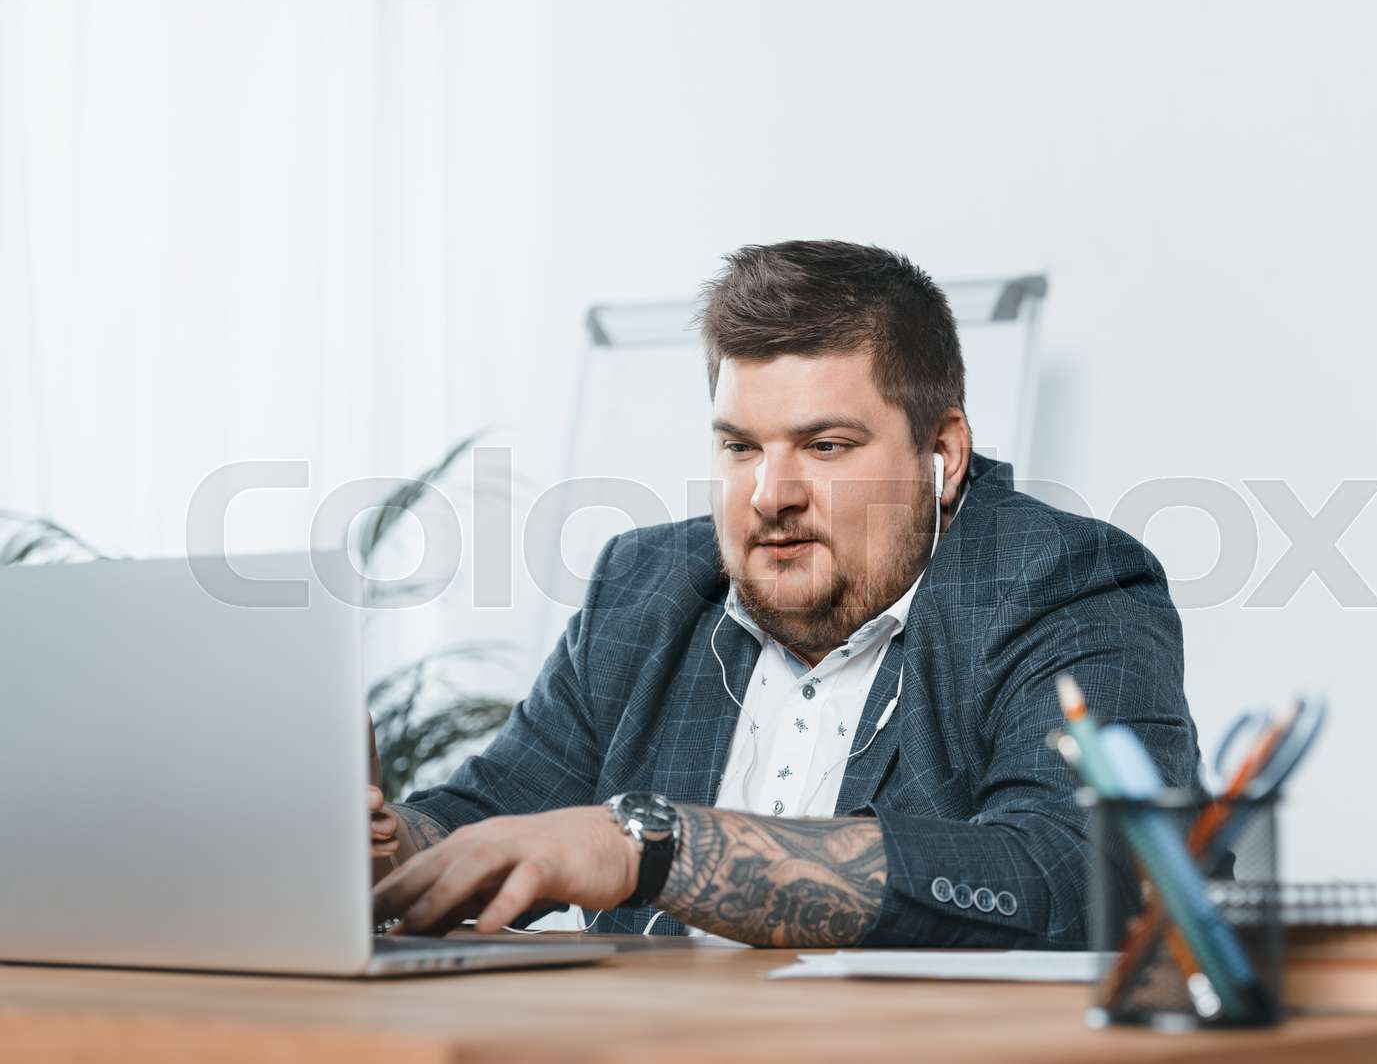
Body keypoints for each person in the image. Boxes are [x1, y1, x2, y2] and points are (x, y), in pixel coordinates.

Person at [368, 239, 1201, 947]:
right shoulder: (643, 588)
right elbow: (489, 821)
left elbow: (1075, 871)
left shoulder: (1066, 582)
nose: (771, 494)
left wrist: (657, 848)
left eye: (826, 445)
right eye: (740, 447)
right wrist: (383, 842)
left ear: (942, 454)